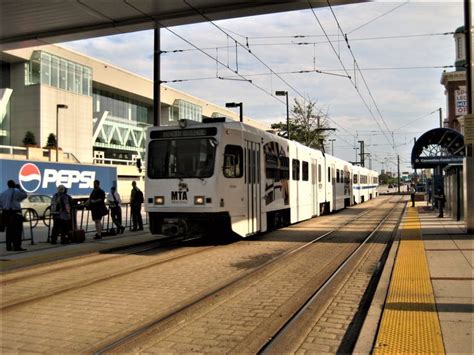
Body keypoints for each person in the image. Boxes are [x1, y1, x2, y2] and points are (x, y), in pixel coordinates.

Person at [0, 180, 27, 251]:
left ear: (8, 185)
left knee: (9, 231)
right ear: (14, 185)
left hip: (6, 213)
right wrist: (19, 188)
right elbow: (24, 195)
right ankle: (16, 246)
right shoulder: (16, 192)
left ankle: (8, 246)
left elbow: (0, 204)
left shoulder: (3, 193)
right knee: (17, 231)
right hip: (15, 213)